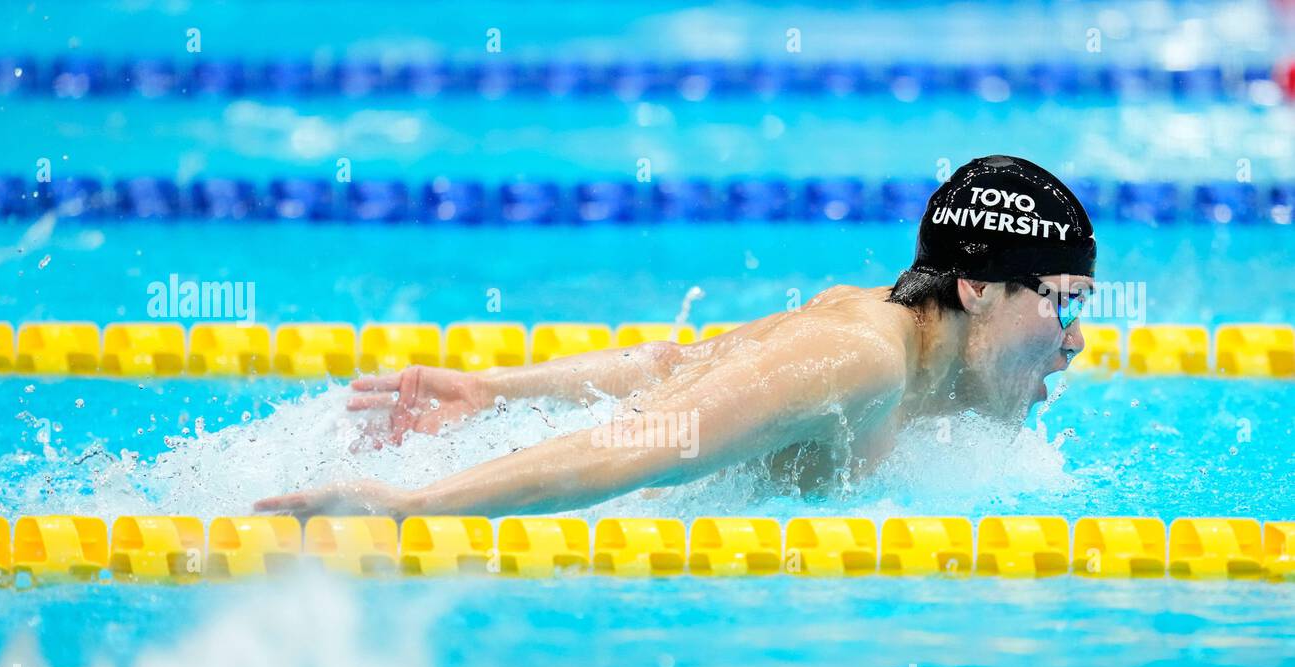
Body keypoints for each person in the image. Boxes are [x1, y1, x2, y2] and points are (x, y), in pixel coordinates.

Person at [254, 155, 1095, 518]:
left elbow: (682, 364)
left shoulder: (884, 335)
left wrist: (491, 392)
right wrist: (413, 507)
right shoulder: (862, 358)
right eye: (1063, 301)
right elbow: (643, 444)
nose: (1077, 339)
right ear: (978, 286)